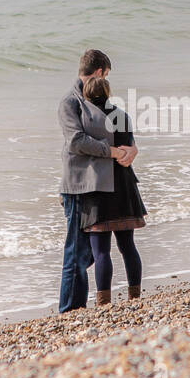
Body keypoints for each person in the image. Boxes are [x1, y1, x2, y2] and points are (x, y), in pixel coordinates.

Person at [57, 49, 136, 312]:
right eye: (107, 74)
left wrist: (132, 149)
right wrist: (113, 152)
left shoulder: (99, 104)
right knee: (76, 254)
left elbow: (121, 131)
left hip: (96, 186)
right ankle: (69, 309)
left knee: (87, 253)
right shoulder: (71, 102)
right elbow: (76, 141)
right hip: (78, 185)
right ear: (100, 72)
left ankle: (79, 306)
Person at [80, 76, 147, 304]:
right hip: (124, 186)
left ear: (86, 95)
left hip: (98, 187)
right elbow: (128, 146)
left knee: (101, 252)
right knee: (128, 246)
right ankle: (134, 296)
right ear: (108, 92)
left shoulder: (86, 119)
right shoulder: (122, 116)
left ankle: (103, 301)